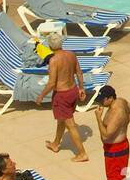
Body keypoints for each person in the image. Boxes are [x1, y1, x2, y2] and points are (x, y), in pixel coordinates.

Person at [35, 29, 89, 162]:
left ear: (49, 46)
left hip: (62, 95)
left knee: (70, 124)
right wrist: (81, 88)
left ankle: (82, 153)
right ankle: (55, 143)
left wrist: (41, 95)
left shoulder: (54, 60)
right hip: (73, 91)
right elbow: (79, 72)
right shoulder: (71, 54)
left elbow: (52, 83)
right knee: (62, 119)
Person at [93, 86, 130, 180]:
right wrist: (124, 126)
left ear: (110, 98)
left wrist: (98, 118)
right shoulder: (121, 101)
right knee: (119, 179)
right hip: (118, 147)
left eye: (103, 100)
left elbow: (106, 137)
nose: (101, 103)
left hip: (116, 150)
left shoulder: (117, 113)